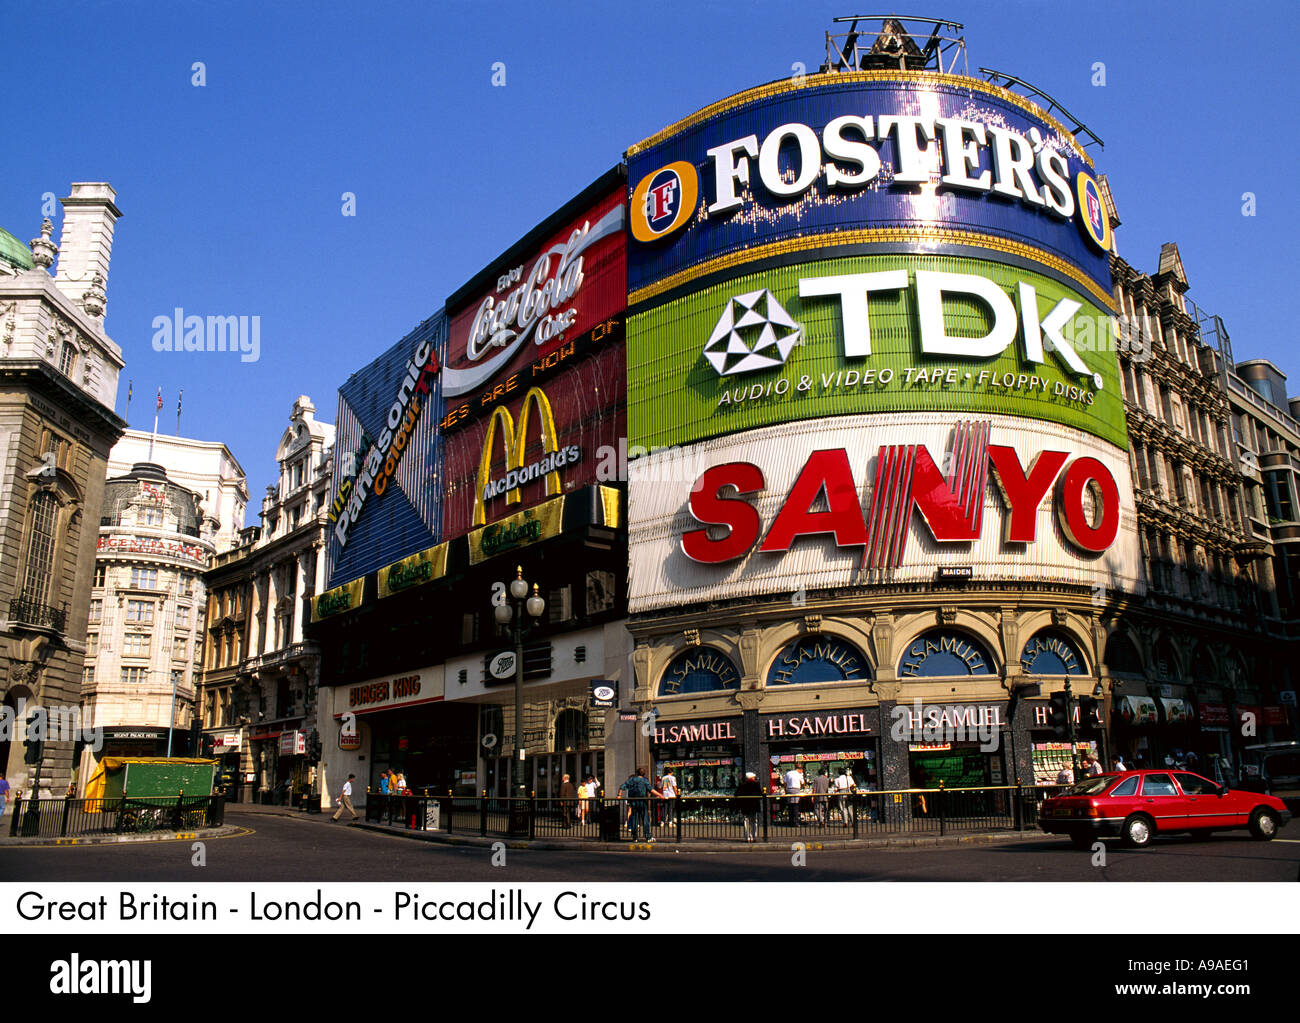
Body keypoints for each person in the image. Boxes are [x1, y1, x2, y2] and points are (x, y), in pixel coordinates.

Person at [619, 767, 659, 842]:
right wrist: (660, 795)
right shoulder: (645, 780)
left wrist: (619, 795)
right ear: (644, 774)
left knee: (634, 819)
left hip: (634, 802)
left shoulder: (632, 780)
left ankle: (635, 837)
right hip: (643, 802)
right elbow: (651, 789)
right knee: (645, 819)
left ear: (637, 773)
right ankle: (648, 836)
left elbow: (622, 787)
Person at [734, 770, 764, 842]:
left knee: (746, 821)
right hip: (754, 805)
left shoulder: (742, 784)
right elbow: (760, 795)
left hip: (745, 805)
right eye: (754, 777)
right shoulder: (756, 784)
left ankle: (747, 837)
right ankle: (754, 836)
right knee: (754, 821)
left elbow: (736, 794)